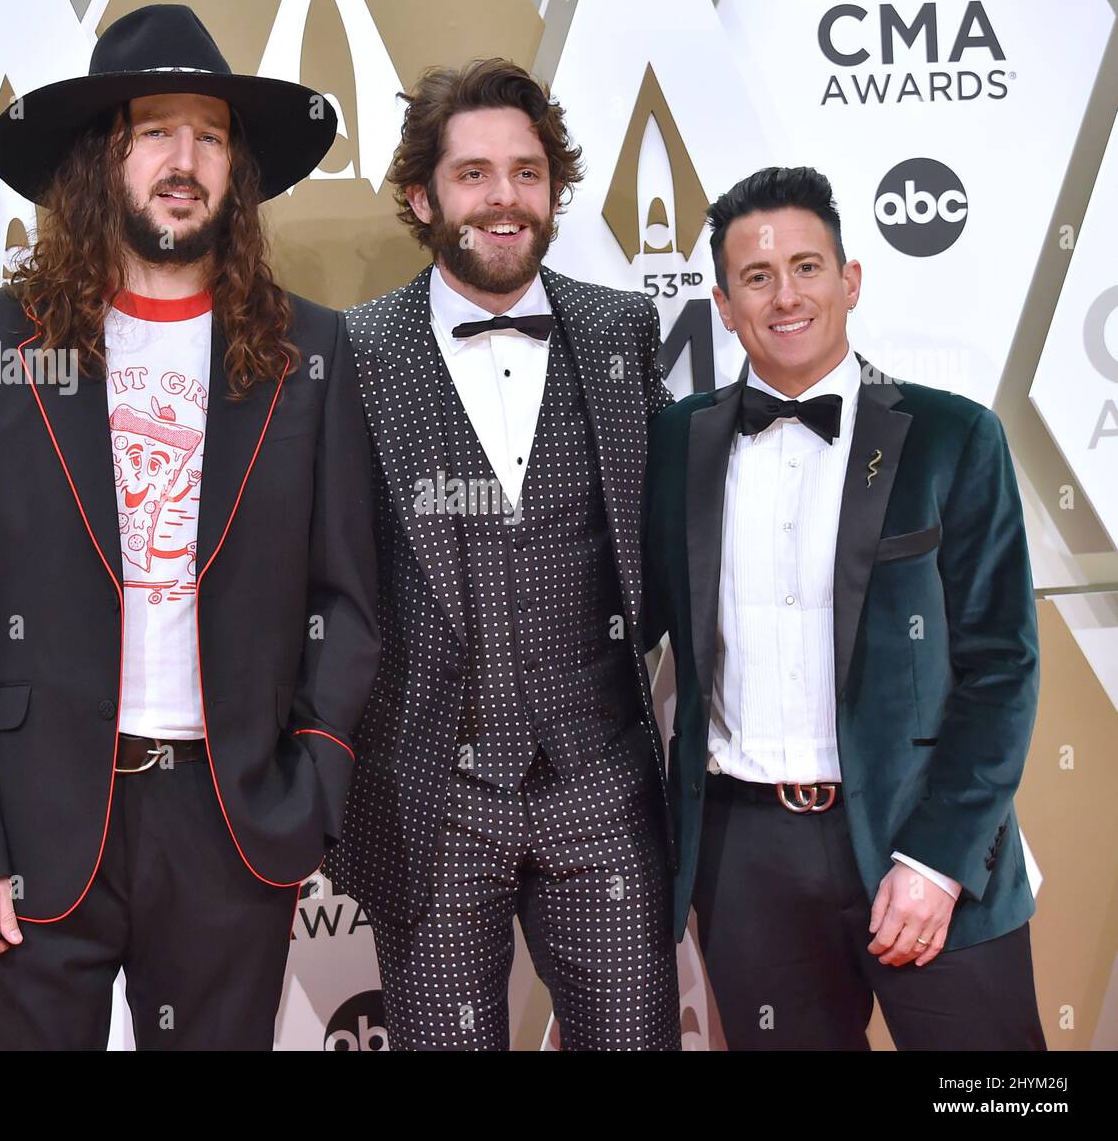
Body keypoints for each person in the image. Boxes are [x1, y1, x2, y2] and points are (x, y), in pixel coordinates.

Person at [0, 3, 379, 1049]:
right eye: (154, 130)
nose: (186, 157)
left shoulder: (314, 350)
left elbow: (346, 598)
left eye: (211, 135)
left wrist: (309, 784)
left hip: (230, 825)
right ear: (98, 159)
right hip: (32, 827)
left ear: (236, 171)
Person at [643, 165, 1046, 1050]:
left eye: (807, 267)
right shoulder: (677, 442)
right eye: (756, 276)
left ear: (850, 279)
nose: (785, 296)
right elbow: (630, 622)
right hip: (746, 862)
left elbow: (1002, 666)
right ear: (722, 301)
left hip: (925, 840)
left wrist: (937, 860)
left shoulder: (954, 437)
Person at [325, 59, 680, 1050]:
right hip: (426, 797)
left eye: (526, 173)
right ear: (420, 195)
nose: (503, 197)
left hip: (601, 782)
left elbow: (669, 540)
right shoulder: (353, 352)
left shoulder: (619, 332)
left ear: (553, 190)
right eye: (473, 173)